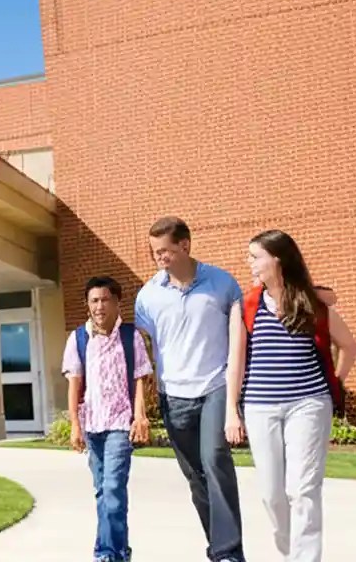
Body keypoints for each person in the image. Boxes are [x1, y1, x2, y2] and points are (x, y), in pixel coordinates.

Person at [225, 230, 356, 562]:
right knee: (272, 494)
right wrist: (231, 410)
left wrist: (334, 384)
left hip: (309, 404)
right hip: (260, 406)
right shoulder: (245, 306)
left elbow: (349, 346)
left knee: (303, 490)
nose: (249, 263)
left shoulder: (312, 303)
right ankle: (290, 552)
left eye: (255, 256)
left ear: (277, 260)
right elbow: (235, 363)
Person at [134, 216, 248, 562]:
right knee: (196, 477)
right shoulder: (148, 295)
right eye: (155, 252)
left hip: (214, 385)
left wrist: (233, 401)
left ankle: (229, 552)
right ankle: (218, 547)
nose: (160, 258)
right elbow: (143, 350)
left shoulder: (222, 284)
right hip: (173, 396)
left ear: (185, 245)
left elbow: (237, 341)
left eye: (166, 250)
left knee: (215, 461)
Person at [62, 276, 153, 562]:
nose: (99, 306)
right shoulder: (78, 338)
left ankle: (107, 554)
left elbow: (140, 377)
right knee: (103, 492)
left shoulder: (130, 336)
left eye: (104, 299)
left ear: (116, 302)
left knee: (113, 488)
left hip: (119, 424)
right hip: (92, 424)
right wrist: (75, 425)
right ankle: (118, 551)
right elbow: (75, 386)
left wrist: (140, 417)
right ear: (88, 305)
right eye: (94, 301)